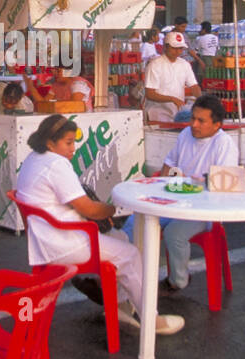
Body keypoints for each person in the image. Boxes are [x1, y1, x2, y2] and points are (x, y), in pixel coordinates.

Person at [15, 114, 184, 335]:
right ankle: (152, 320)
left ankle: (120, 305)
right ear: (50, 143)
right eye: (68, 142)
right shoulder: (56, 164)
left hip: (47, 236)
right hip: (63, 241)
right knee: (131, 255)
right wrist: (114, 209)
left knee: (120, 238)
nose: (73, 148)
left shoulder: (34, 158)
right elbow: (89, 208)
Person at [152, 96, 238, 289]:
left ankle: (177, 282)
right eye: (193, 119)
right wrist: (163, 188)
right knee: (137, 221)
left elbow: (224, 185)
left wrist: (195, 183)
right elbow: (169, 164)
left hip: (205, 209)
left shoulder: (224, 144)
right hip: (175, 201)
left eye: (201, 121)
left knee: (174, 234)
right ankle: (120, 277)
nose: (194, 124)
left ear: (216, 125)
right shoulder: (185, 134)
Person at [144, 30, 201, 123]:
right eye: (174, 48)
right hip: (157, 116)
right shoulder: (155, 64)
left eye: (180, 48)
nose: (178, 51)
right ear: (166, 46)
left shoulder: (184, 64)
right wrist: (172, 99)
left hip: (177, 115)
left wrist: (201, 100)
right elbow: (150, 94)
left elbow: (194, 86)